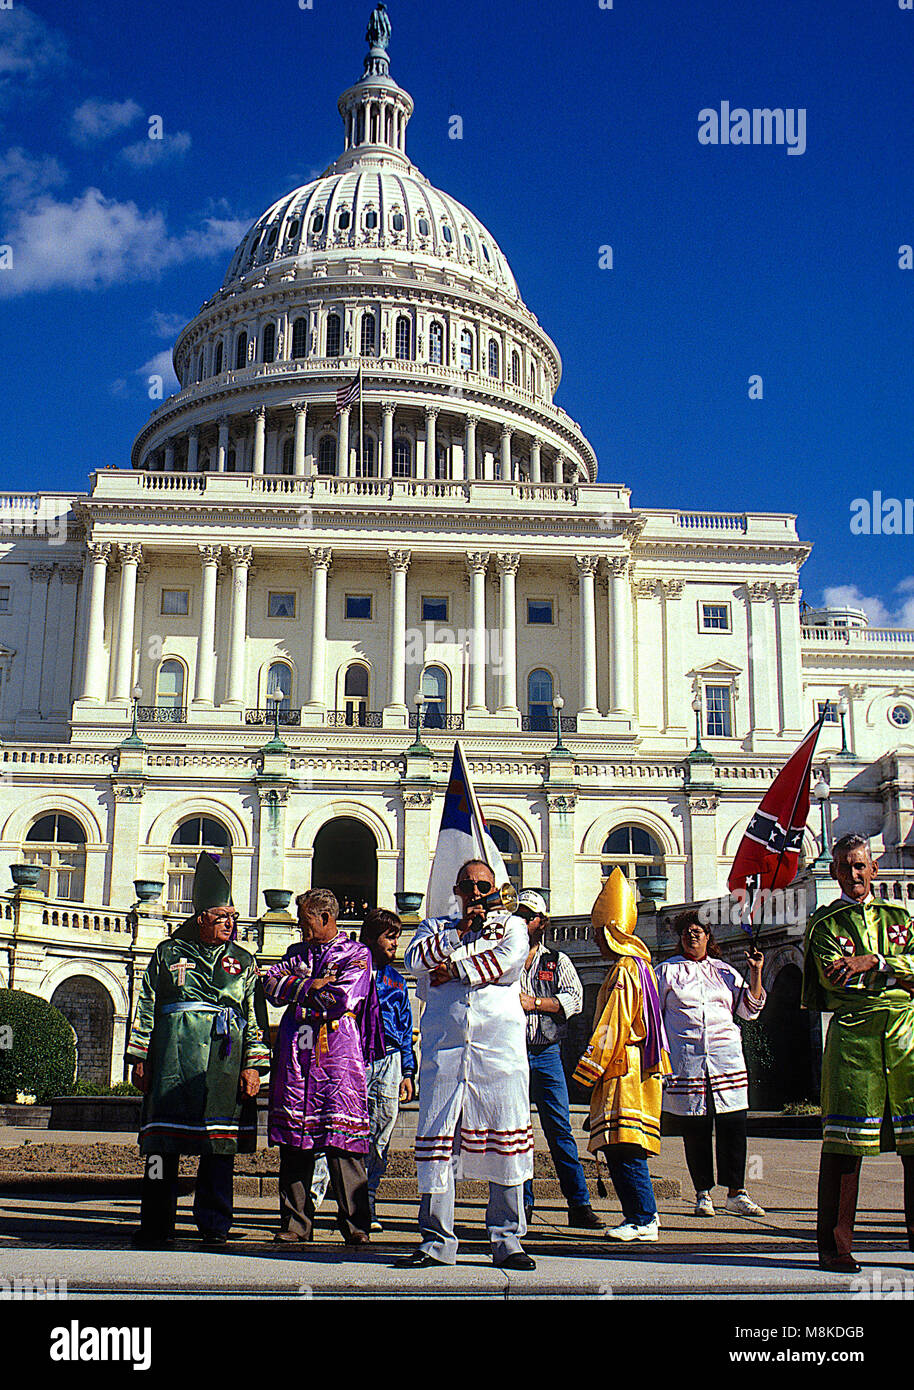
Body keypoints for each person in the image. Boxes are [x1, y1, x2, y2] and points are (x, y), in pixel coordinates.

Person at [126, 852, 270, 1248]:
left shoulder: (243, 960)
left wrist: (254, 1066)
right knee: (162, 1147)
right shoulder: (167, 953)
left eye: (234, 916)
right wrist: (140, 1057)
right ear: (202, 916)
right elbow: (146, 1004)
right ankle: (156, 1224)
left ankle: (214, 1223)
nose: (230, 923)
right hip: (172, 1056)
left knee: (218, 1145)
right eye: (222, 916)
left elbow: (254, 1016)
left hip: (223, 1059)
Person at [402, 859, 535, 1270]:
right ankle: (436, 1241)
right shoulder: (435, 926)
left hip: (499, 1051)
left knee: (505, 1136)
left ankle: (507, 1238)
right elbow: (413, 962)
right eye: (468, 885)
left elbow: (509, 962)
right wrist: (457, 935)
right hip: (445, 1049)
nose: (475, 893)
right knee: (439, 1139)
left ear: (494, 888)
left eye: (482, 885)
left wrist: (452, 970)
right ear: (457, 890)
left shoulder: (511, 925)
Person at [802, 833, 914, 1273]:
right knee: (846, 1145)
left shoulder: (900, 916)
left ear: (875, 868)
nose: (854, 874)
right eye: (845, 867)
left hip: (906, 1038)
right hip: (854, 1039)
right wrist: (896, 974)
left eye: (861, 865)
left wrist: (874, 962)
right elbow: (835, 982)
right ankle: (835, 1247)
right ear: (833, 872)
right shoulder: (824, 925)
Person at [264, 888, 385, 1246]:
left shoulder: (357, 954)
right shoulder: (295, 954)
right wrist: (308, 985)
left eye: (305, 921)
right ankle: (296, 1223)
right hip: (296, 1056)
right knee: (295, 1142)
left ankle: (355, 1224)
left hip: (337, 1057)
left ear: (325, 919)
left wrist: (297, 989)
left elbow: (342, 997)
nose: (301, 928)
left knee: (343, 1144)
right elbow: (269, 984)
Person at [573, 868, 670, 1242]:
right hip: (635, 1068)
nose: (597, 942)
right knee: (624, 1146)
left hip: (623, 1071)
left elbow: (613, 1026)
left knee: (624, 1146)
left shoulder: (623, 971)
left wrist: (587, 1069)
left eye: (599, 934)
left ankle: (643, 1218)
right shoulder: (639, 965)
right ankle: (640, 1215)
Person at [656, 910, 766, 1219]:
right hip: (686, 1059)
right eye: (687, 932)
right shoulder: (665, 971)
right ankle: (702, 1192)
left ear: (708, 937)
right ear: (680, 938)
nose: (693, 935)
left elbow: (750, 1010)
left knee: (733, 1123)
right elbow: (652, 1016)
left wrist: (755, 972)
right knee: (696, 1127)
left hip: (725, 1057)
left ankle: (737, 1192)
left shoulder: (724, 971)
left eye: (699, 931)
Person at [516, 889, 603, 1230]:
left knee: (560, 1132)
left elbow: (574, 1000)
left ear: (542, 923)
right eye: (519, 914)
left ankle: (578, 1204)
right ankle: (521, 1205)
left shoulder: (556, 960)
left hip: (547, 1051)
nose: (523, 921)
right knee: (517, 1133)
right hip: (513, 1054)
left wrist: (534, 1003)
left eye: (529, 916)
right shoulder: (505, 957)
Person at [359, 907, 416, 1231]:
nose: (395, 944)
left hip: (390, 1060)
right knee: (346, 1130)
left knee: (381, 1135)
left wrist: (408, 1072)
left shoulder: (396, 980)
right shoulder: (355, 972)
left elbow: (406, 1028)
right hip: (358, 1058)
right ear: (371, 938)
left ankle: (368, 1199)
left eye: (397, 937)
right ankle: (317, 1200)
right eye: (389, 937)